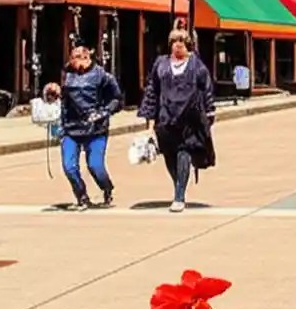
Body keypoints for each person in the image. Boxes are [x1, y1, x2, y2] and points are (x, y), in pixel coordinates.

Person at [138, 27, 216, 213]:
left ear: (188, 45)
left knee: (184, 152)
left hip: (189, 119)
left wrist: (209, 112)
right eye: (174, 41)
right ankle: (178, 185)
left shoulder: (197, 65)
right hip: (166, 119)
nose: (178, 45)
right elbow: (152, 92)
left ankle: (179, 195)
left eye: (181, 41)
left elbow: (207, 89)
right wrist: (149, 118)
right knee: (169, 156)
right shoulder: (161, 64)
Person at [52, 39, 122, 210]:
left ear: (86, 57)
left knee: (95, 165)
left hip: (96, 129)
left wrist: (104, 112)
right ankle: (81, 195)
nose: (74, 62)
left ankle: (107, 188)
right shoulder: (65, 74)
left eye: (77, 57)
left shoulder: (102, 76)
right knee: (69, 166)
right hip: (70, 128)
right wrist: (51, 91)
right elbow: (54, 95)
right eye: (72, 57)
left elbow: (117, 99)